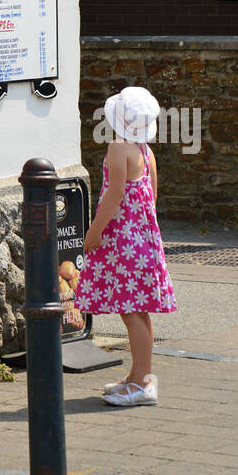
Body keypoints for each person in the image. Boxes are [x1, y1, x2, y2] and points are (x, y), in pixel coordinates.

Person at [74, 86, 177, 406]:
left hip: (123, 243)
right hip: (142, 241)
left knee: (131, 312)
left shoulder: (119, 148)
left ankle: (144, 382)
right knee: (137, 312)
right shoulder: (146, 152)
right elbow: (151, 198)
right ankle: (137, 376)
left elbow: (114, 194)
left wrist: (94, 231)